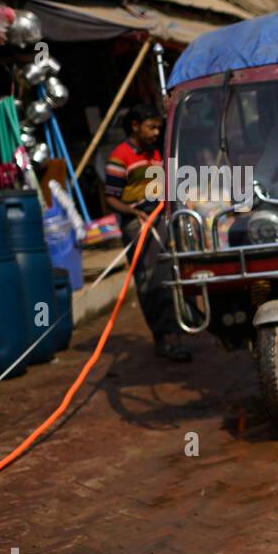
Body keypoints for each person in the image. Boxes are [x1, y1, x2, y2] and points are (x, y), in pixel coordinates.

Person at [104, 104, 190, 362]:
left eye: (158, 128)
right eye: (151, 127)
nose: (155, 133)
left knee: (174, 272)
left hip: (161, 216)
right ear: (135, 126)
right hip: (138, 222)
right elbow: (111, 199)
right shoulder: (119, 158)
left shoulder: (155, 153)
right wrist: (135, 214)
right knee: (152, 279)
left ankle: (177, 331)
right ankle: (164, 338)